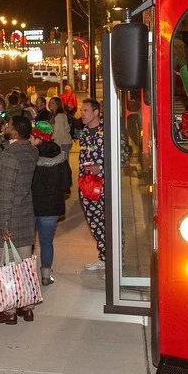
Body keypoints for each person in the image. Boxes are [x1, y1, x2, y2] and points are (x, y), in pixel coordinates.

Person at [0, 114, 38, 325]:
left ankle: (9, 310)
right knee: (25, 263)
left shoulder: (10, 156)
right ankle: (27, 307)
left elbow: (6, 192)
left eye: (9, 125)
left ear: (16, 131)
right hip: (24, 215)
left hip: (9, 217)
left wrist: (3, 224)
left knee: (7, 267)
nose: (5, 126)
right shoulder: (30, 151)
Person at [30, 120, 71, 286]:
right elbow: (66, 184)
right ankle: (46, 276)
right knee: (46, 241)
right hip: (51, 207)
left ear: (38, 137)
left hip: (32, 206)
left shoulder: (30, 156)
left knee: (28, 241)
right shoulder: (61, 156)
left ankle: (26, 275)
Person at [79, 98, 107, 271]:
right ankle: (104, 257)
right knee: (94, 223)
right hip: (87, 187)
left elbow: (123, 157)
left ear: (96, 112)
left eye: (85, 111)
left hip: (104, 186)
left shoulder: (107, 131)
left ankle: (115, 261)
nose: (82, 114)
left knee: (108, 223)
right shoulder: (83, 133)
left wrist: (101, 168)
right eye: (81, 111)